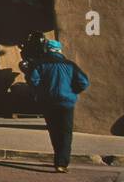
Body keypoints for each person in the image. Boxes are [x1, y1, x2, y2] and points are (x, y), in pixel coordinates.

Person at [22, 38, 90, 172]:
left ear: (47, 50)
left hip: (48, 102)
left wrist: (40, 92)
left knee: (54, 131)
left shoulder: (40, 65)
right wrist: (72, 91)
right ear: (59, 51)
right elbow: (83, 82)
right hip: (67, 102)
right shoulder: (70, 65)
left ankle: (58, 159)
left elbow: (33, 80)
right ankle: (62, 162)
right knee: (66, 132)